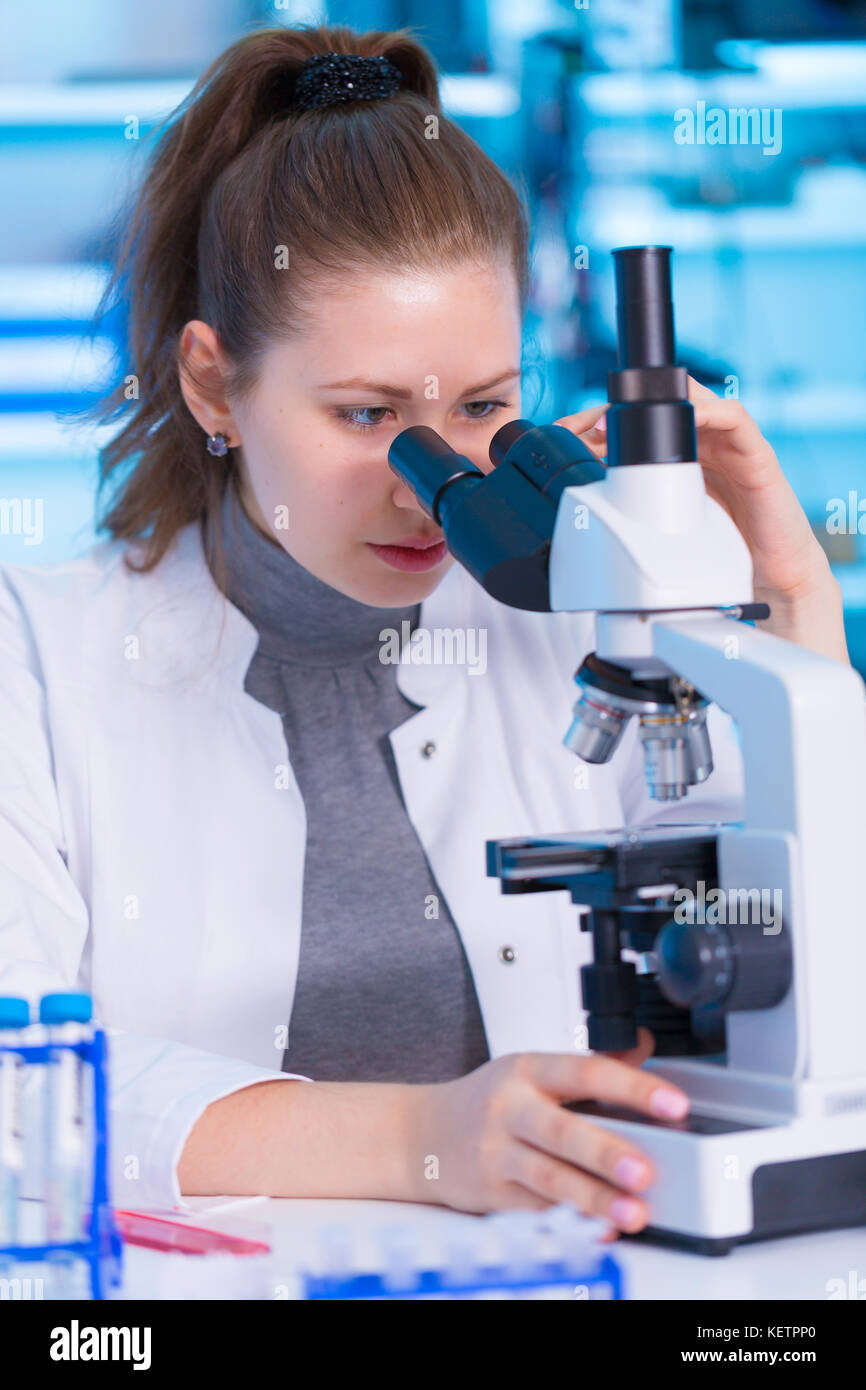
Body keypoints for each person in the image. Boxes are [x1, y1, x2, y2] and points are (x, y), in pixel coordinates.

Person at [0, 25, 849, 1236]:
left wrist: (784, 600)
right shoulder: (35, 655)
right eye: (367, 415)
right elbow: (13, 1091)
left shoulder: (581, 621)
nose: (428, 482)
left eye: (485, 407)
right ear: (209, 384)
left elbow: (818, 972)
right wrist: (425, 1138)